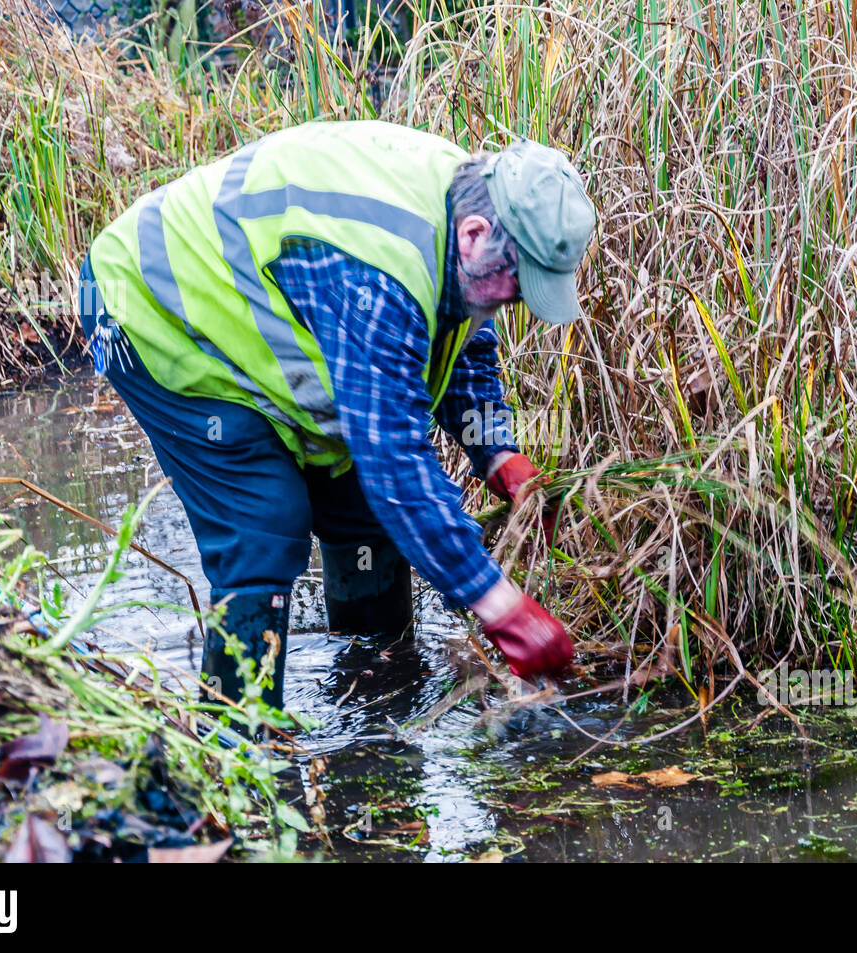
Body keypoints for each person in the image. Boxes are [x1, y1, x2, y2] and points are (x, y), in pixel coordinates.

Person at [76, 120, 596, 708]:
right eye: (518, 285)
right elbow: (395, 465)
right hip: (149, 304)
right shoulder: (382, 273)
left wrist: (495, 449)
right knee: (263, 522)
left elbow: (464, 336)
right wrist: (499, 606)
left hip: (257, 306)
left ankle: (376, 694)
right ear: (475, 236)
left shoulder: (470, 209)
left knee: (365, 515)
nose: (516, 301)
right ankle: (238, 735)